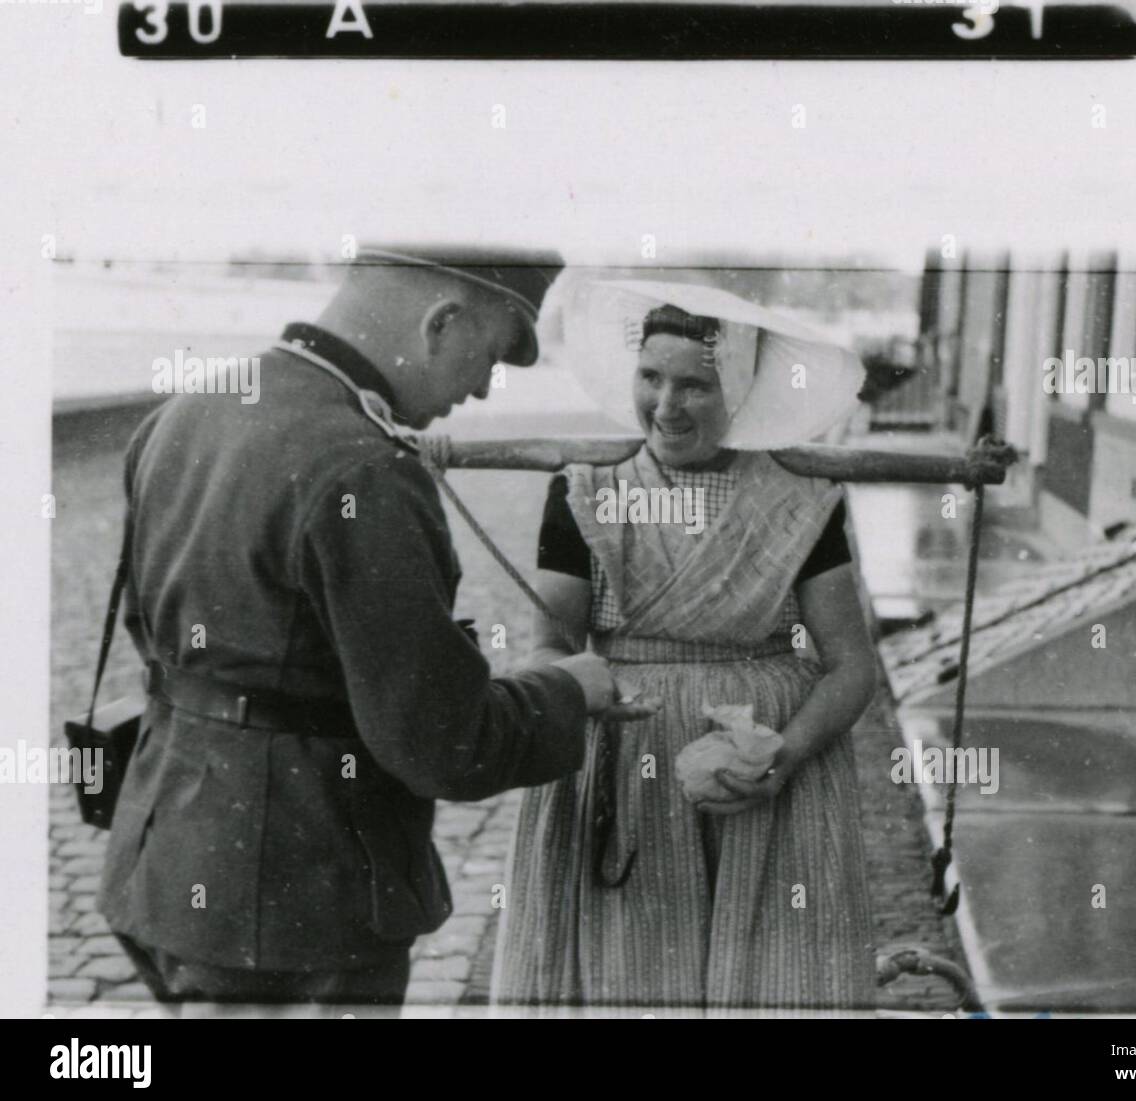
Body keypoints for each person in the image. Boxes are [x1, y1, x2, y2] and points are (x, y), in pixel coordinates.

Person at [97, 245, 618, 1006]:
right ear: (442, 322)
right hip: (303, 901)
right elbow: (444, 744)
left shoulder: (186, 410)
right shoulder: (365, 469)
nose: (479, 390)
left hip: (161, 864)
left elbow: (152, 635)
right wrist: (568, 692)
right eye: (492, 358)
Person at [492, 286, 878, 1010]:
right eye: (651, 378)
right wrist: (584, 696)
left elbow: (851, 666)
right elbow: (547, 643)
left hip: (765, 783)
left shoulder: (799, 499)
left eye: (696, 384)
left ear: (741, 388)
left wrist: (784, 753)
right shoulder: (588, 491)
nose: (667, 405)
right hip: (616, 770)